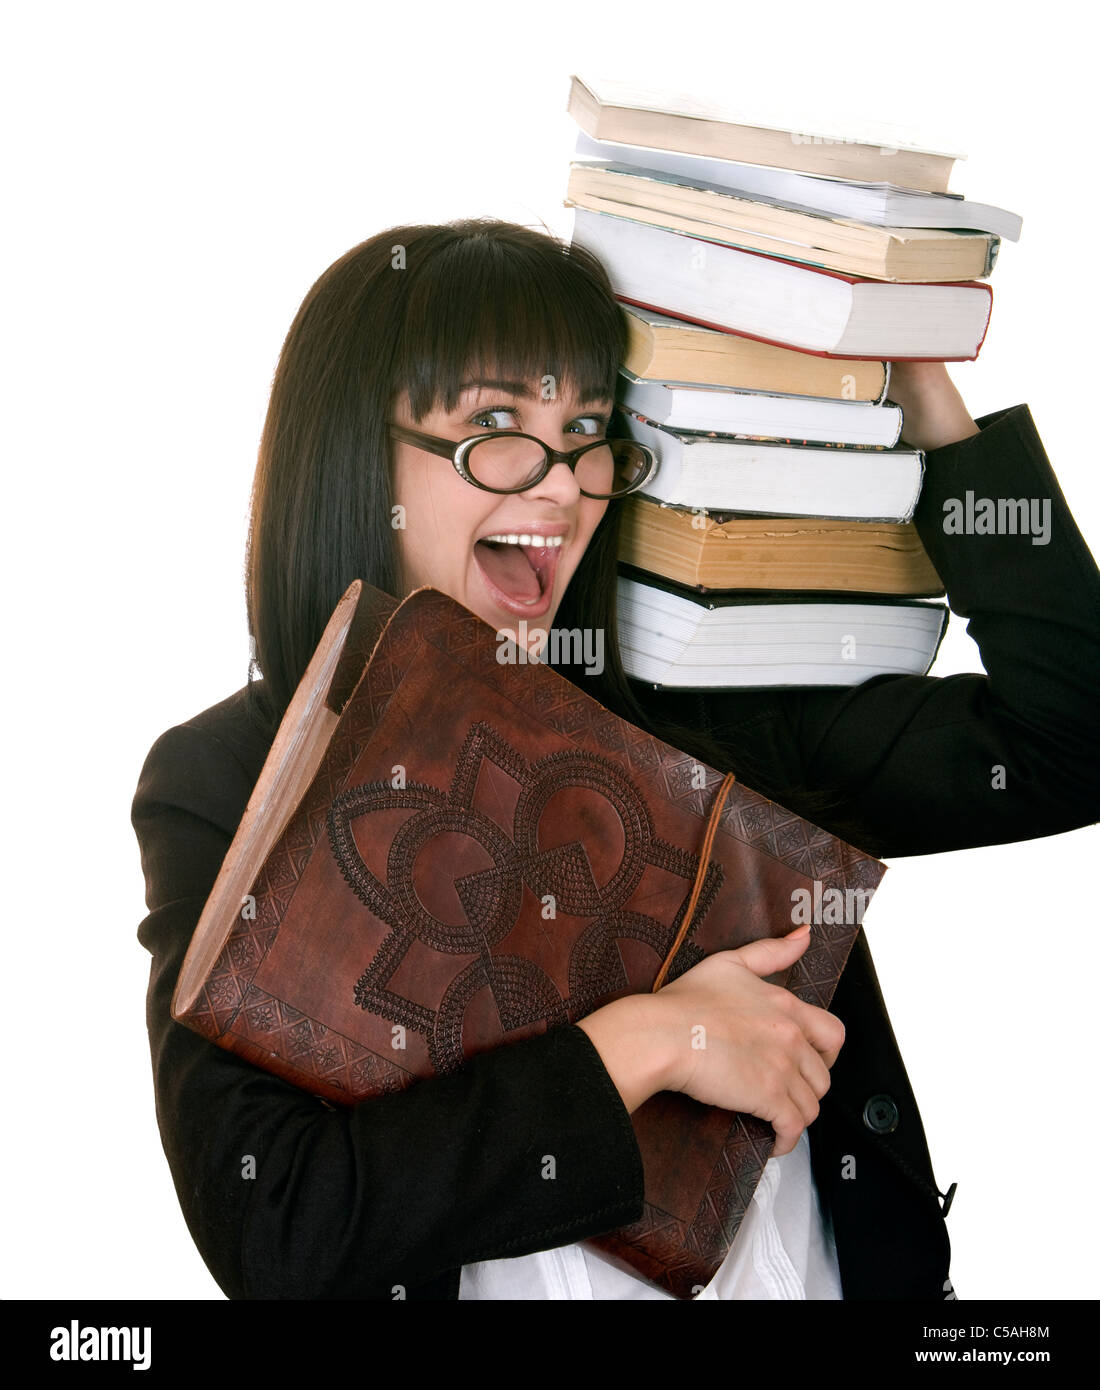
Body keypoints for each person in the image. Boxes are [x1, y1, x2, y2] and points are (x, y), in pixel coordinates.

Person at [132, 219, 1100, 1301]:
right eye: (496, 422)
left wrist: (910, 379)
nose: (560, 487)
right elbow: (280, 1229)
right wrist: (650, 1042)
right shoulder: (227, 779)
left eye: (586, 428)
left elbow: (1071, 736)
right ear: (356, 453)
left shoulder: (682, 704)